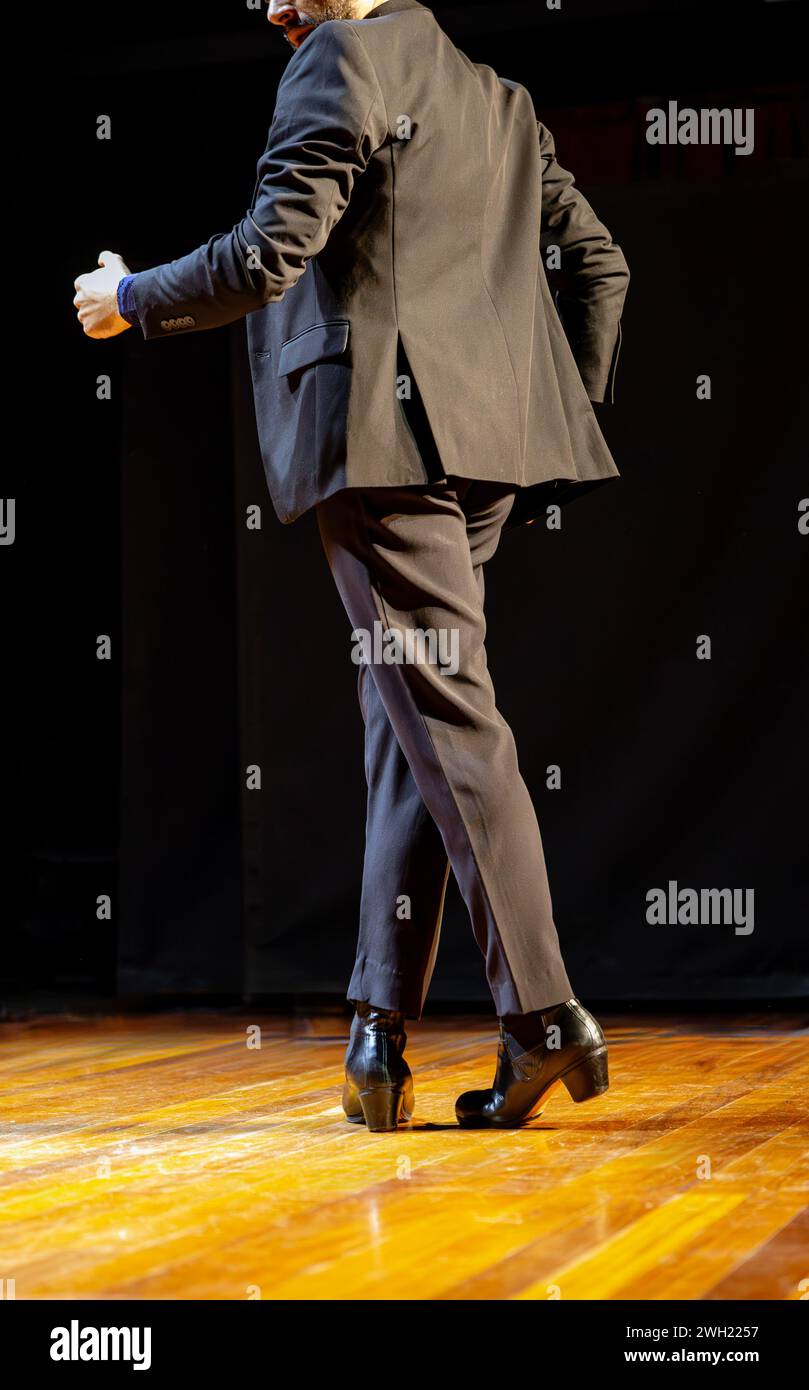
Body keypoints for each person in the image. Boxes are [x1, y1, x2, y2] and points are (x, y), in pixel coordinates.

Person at [73, 0, 629, 1131]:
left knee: (446, 720)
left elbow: (270, 251)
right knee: (408, 725)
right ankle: (378, 1035)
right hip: (477, 461)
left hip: (381, 451)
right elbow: (599, 267)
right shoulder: (497, 100)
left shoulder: (344, 58)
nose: (272, 7)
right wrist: (532, 418)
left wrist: (128, 301)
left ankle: (542, 1016)